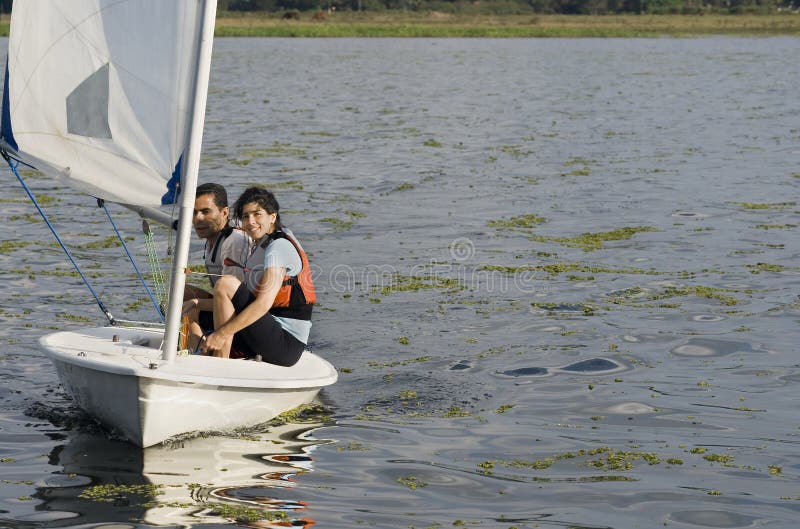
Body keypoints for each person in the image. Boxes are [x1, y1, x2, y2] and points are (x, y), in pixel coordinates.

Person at [184, 187, 315, 367]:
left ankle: (218, 366)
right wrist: (196, 303)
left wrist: (220, 335)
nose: (251, 221)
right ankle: (197, 360)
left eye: (257, 214)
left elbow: (263, 304)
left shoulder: (278, 247)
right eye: (246, 216)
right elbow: (238, 301)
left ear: (272, 217)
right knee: (190, 305)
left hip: (285, 344)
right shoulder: (261, 245)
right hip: (265, 330)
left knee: (225, 284)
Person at [183, 182, 251, 302]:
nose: (198, 218)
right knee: (179, 291)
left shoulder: (234, 241)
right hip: (225, 302)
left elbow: (234, 298)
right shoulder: (214, 236)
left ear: (224, 213)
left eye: (205, 212)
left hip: (241, 309)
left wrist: (196, 304)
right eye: (194, 212)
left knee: (191, 309)